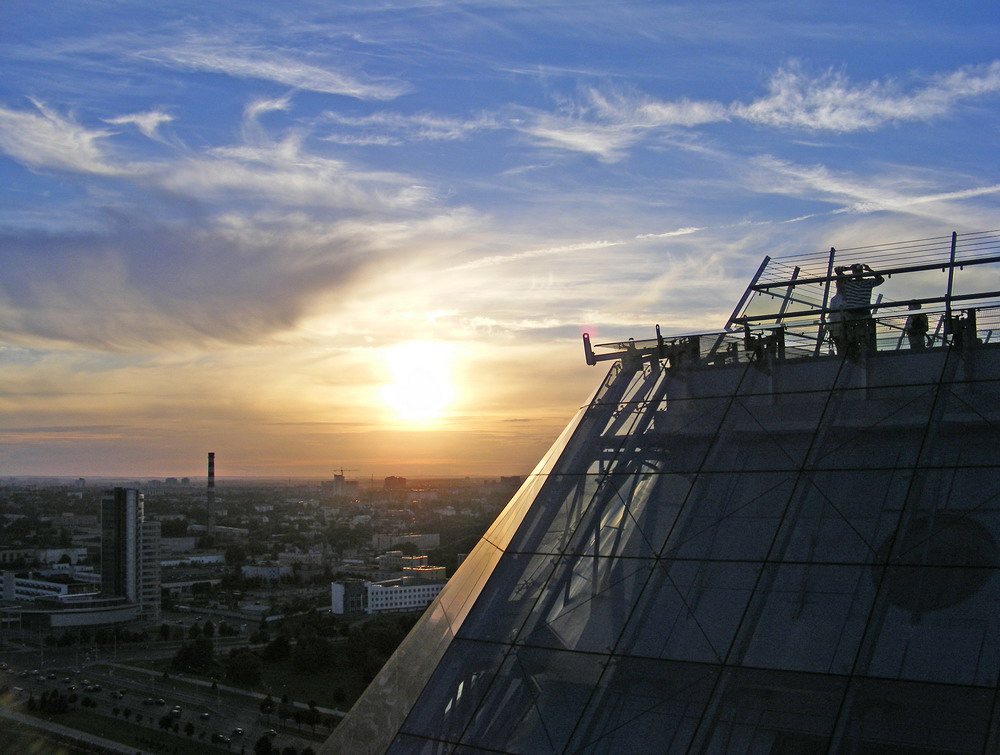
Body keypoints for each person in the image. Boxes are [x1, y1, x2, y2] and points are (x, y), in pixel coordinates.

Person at [835, 263, 885, 355]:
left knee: (852, 334)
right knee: (863, 334)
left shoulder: (848, 281)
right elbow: (880, 279)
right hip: (863, 312)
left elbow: (837, 270)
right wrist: (869, 270)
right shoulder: (867, 282)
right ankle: (864, 349)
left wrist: (848, 268)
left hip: (853, 312)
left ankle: (854, 350)